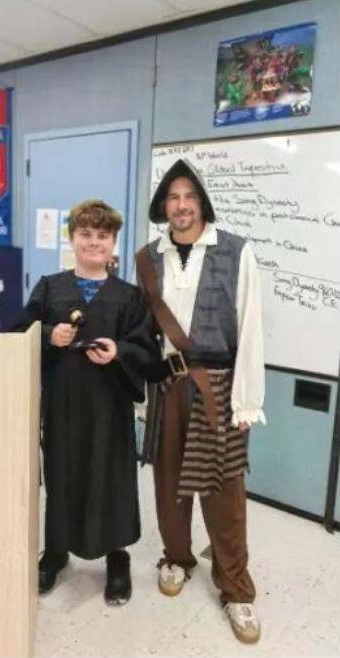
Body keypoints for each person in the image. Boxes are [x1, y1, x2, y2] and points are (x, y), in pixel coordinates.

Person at [136, 159, 265, 644]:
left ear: (202, 203)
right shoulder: (148, 258)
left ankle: (236, 588)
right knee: (169, 482)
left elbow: (250, 327)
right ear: (164, 206)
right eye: (173, 197)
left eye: (190, 196)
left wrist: (246, 400)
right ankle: (177, 557)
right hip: (168, 387)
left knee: (224, 492)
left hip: (219, 389)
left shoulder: (236, 251)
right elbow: (143, 333)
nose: (182, 205)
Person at [15, 199, 159, 605]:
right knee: (62, 474)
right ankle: (56, 551)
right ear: (72, 238)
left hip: (110, 405)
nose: (94, 242)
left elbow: (147, 353)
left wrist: (119, 352)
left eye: (103, 235)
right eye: (86, 234)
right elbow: (19, 332)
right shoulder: (50, 287)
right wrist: (49, 335)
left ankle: (116, 557)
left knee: (111, 477)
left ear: (114, 242)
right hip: (63, 402)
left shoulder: (130, 297)